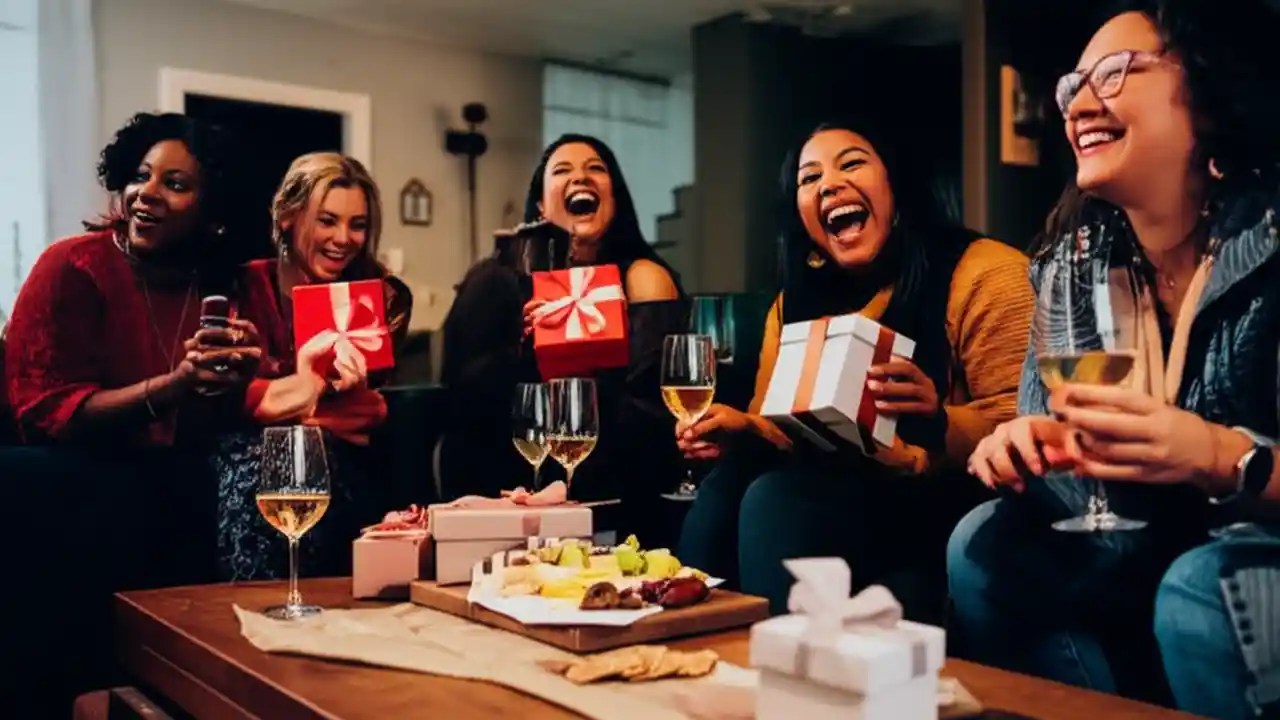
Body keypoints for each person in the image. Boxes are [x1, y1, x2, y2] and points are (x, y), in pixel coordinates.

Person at [951, 1, 1280, 714]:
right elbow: (1057, 435)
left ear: (1208, 91)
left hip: (1249, 541)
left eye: (1115, 72)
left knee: (1202, 586)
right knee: (982, 544)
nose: (1079, 104)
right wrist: (1027, 442)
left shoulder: (1271, 240)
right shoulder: (1071, 267)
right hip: (1135, 538)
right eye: (1072, 88)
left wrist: (1221, 455)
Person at [675, 117, 1034, 619]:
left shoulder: (984, 272)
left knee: (779, 500)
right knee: (728, 485)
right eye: (809, 178)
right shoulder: (792, 302)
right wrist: (742, 430)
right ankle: (691, 651)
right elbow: (777, 424)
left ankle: (791, 676)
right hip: (840, 493)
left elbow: (1025, 425)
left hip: (951, 502)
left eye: (852, 163)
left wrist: (937, 419)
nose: (829, 184)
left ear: (896, 184)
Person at [0, 112, 261, 713]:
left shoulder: (219, 285)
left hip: (168, 493)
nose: (147, 192)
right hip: (66, 493)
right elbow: (43, 412)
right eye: (141, 176)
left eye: (175, 183)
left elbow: (200, 425)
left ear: (214, 209)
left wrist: (231, 383)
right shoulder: (72, 265)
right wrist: (175, 385)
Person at [440, 134, 687, 542]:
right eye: (562, 170)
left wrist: (586, 368)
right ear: (540, 204)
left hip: (615, 466)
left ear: (615, 196)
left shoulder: (642, 277)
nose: (581, 177)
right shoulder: (496, 282)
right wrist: (527, 350)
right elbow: (460, 400)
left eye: (595, 169)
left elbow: (657, 408)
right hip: (513, 469)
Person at [214, 152, 413, 581]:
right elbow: (223, 398)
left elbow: (366, 412)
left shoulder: (382, 296)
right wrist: (306, 405)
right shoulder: (240, 285)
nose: (343, 238)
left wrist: (275, 403)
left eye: (357, 225)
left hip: (344, 461)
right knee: (264, 462)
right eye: (327, 221)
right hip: (243, 460)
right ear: (287, 216)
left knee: (318, 457)